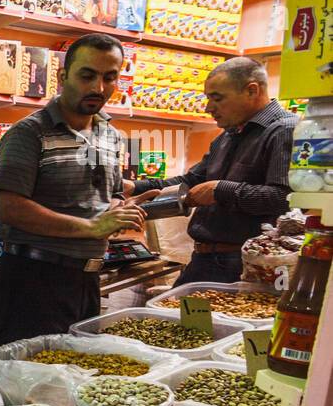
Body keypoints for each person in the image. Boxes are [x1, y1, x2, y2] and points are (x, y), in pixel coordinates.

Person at [0, 33, 154, 349]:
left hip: (87, 281)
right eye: (87, 75)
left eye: (110, 77)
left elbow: (111, 193)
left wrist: (120, 210)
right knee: (27, 385)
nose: (99, 88)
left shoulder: (109, 136)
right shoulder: (29, 133)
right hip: (31, 282)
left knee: (76, 382)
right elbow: (10, 208)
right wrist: (94, 227)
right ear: (63, 77)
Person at [125, 57, 299, 286]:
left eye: (217, 98)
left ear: (252, 90)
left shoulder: (285, 130)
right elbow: (190, 180)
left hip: (248, 264)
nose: (209, 108)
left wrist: (221, 190)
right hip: (205, 259)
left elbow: (284, 199)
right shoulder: (229, 134)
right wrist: (134, 186)